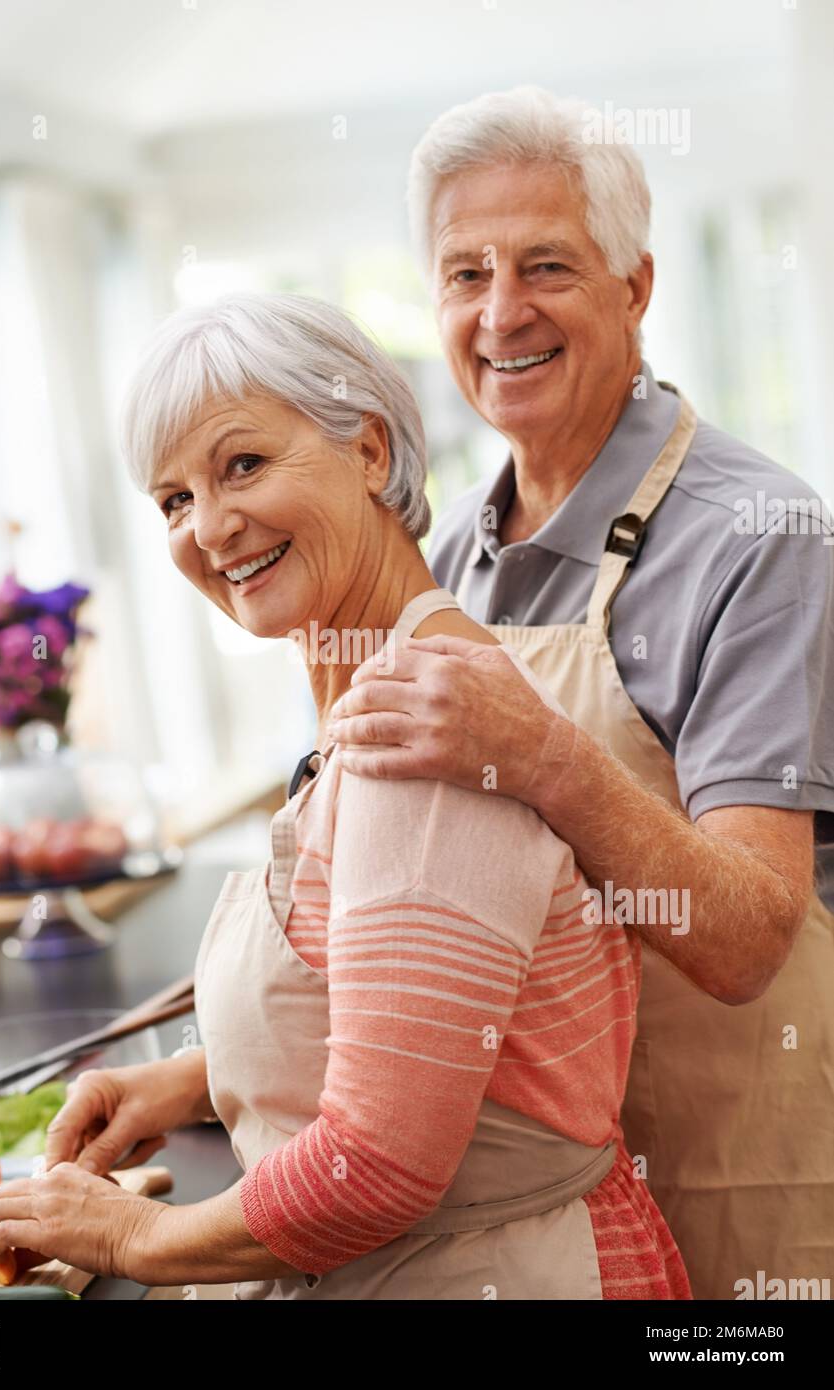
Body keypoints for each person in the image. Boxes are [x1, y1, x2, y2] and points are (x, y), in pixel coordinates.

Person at [0, 292, 689, 1299]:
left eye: (242, 465)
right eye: (174, 499)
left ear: (366, 451)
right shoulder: (374, 696)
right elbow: (416, 1018)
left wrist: (134, 1234)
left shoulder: (421, 735)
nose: (211, 528)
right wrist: (190, 1078)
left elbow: (376, 1166)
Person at [325, 86, 834, 1299]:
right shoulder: (445, 559)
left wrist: (540, 750)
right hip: (539, 1219)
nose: (502, 313)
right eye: (464, 274)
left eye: (545, 264)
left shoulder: (761, 539)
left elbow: (748, 935)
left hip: (736, 1170)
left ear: (635, 287)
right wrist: (185, 1077)